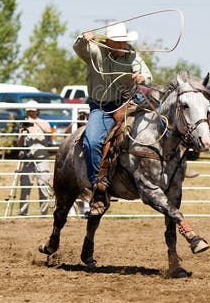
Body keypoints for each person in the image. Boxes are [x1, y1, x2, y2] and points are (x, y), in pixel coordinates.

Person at [73, 22, 152, 211]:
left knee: (154, 126)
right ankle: (97, 189)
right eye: (119, 42)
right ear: (109, 42)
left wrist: (142, 78)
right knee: (92, 142)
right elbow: (79, 48)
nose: (123, 45)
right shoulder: (95, 53)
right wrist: (83, 38)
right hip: (101, 107)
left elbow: (147, 75)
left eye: (124, 41)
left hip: (126, 103)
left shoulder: (132, 55)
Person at [17, 100, 54, 216]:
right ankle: (23, 212)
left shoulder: (43, 122)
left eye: (32, 111)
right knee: (25, 184)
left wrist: (35, 122)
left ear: (37, 111)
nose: (30, 114)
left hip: (42, 156)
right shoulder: (24, 123)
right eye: (28, 112)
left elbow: (49, 131)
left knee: (43, 184)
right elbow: (19, 143)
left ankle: (44, 213)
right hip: (27, 156)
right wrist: (22, 134)